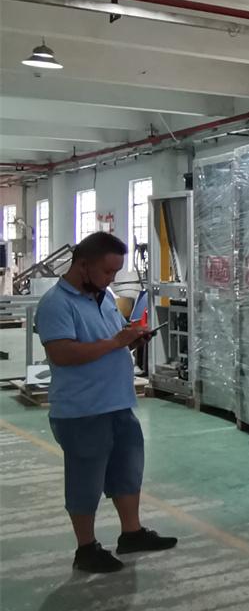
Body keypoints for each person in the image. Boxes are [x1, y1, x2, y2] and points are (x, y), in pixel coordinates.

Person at [36, 231, 175, 572]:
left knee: (127, 471)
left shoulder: (105, 296)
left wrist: (132, 338)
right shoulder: (56, 304)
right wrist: (116, 342)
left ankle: (132, 533)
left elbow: (112, 337)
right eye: (107, 271)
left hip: (118, 403)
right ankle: (86, 548)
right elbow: (62, 353)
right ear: (83, 265)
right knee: (85, 481)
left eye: (115, 271)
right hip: (83, 410)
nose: (112, 278)